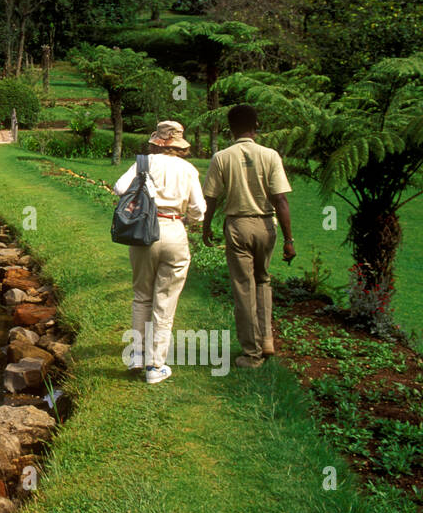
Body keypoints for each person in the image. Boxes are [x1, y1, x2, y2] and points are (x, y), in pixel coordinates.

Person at [201, 104, 296, 370]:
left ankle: (251, 354)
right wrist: (289, 240)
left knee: (244, 287)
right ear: (256, 125)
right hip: (267, 226)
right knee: (263, 280)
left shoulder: (222, 157)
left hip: (237, 226)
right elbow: (281, 199)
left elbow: (211, 197)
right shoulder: (270, 155)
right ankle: (266, 340)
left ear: (230, 129)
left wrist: (206, 227)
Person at [113, 120, 205, 384]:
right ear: (179, 144)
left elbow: (120, 188)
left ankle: (137, 355)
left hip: (143, 232)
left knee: (142, 295)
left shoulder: (144, 163)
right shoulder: (188, 169)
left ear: (157, 141)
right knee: (165, 300)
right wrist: (185, 216)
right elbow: (199, 211)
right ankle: (155, 366)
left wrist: (144, 194)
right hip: (174, 230)